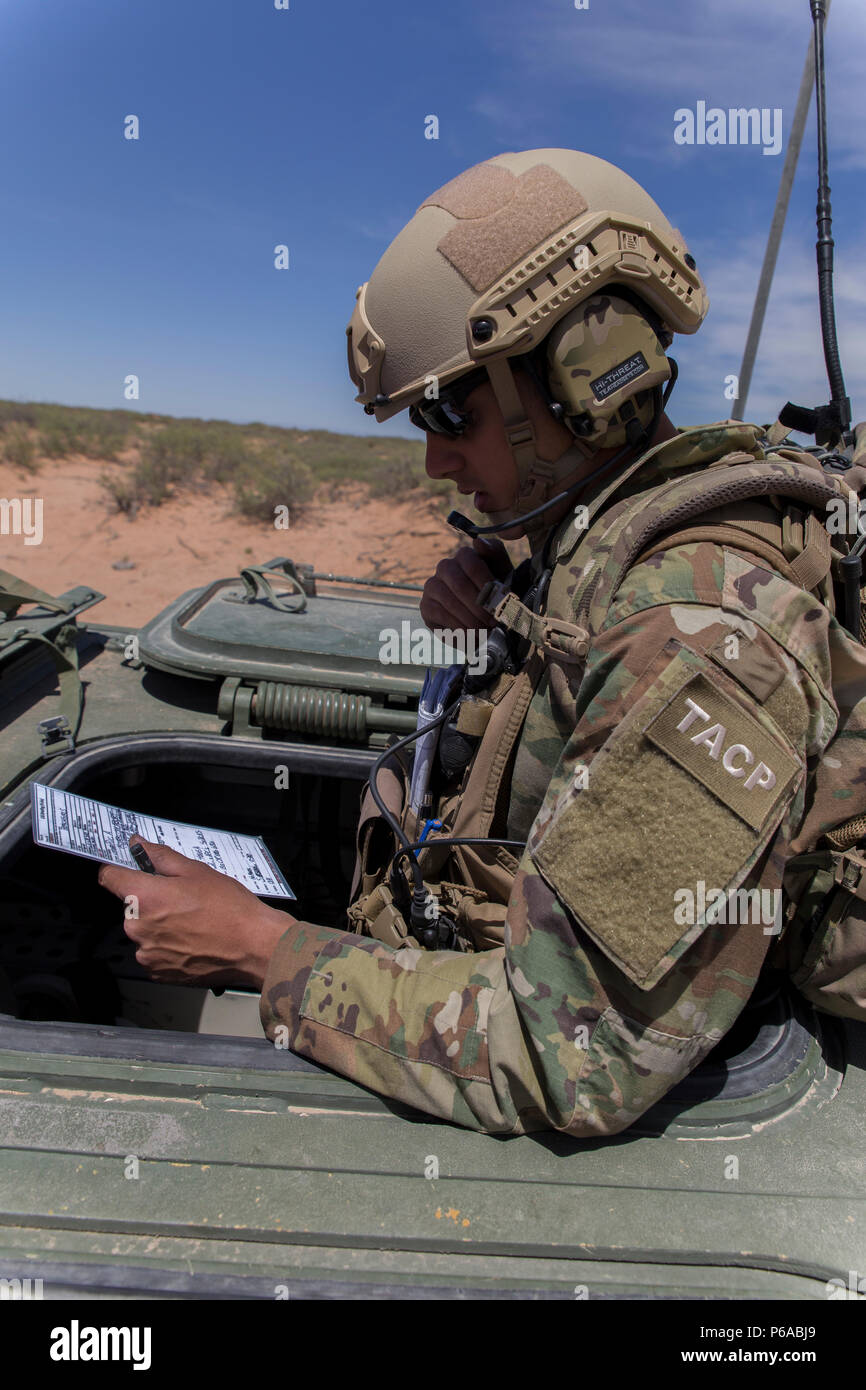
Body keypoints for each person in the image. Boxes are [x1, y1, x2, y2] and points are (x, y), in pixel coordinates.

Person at [98, 148, 866, 1137]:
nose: (431, 457)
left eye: (450, 410)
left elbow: (568, 1055)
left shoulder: (697, 642)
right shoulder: (608, 531)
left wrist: (260, 951)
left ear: (584, 372)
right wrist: (505, 595)